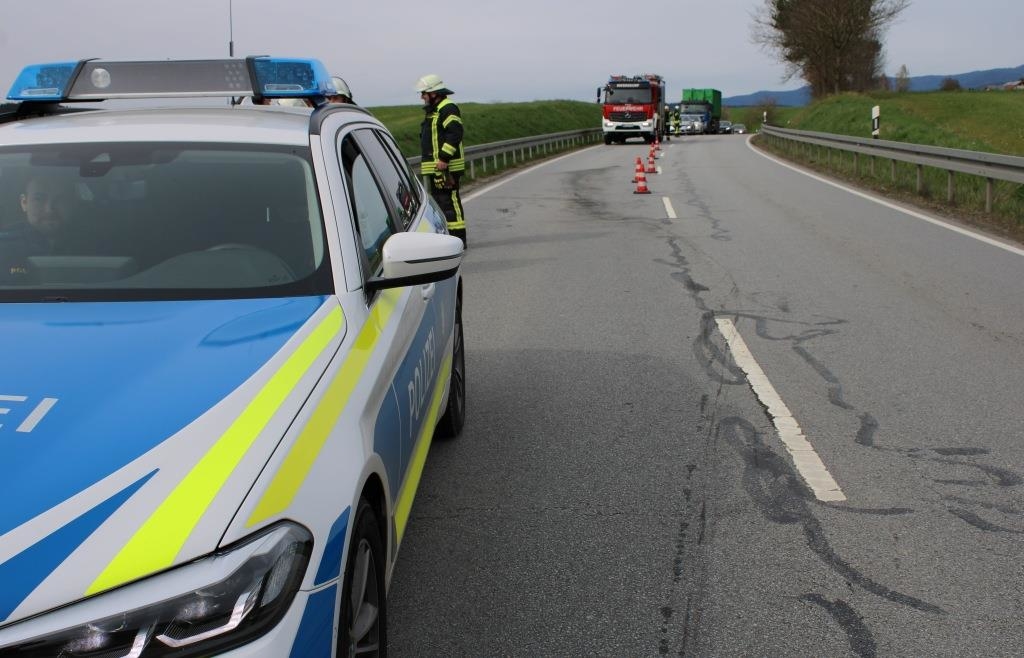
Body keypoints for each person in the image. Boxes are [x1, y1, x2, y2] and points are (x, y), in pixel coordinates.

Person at [415, 73, 466, 245]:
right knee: (440, 204)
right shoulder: (435, 110)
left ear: (434, 93)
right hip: (438, 167)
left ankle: (459, 238)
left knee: (449, 202)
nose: (422, 97)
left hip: (447, 167)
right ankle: (448, 239)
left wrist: (444, 158)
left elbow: (455, 134)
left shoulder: (447, 108)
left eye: (424, 93)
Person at [1, 175, 77, 280]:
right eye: (39, 199)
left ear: (73, 203)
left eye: (60, 199)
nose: (49, 209)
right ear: (24, 203)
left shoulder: (94, 245)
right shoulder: (4, 244)